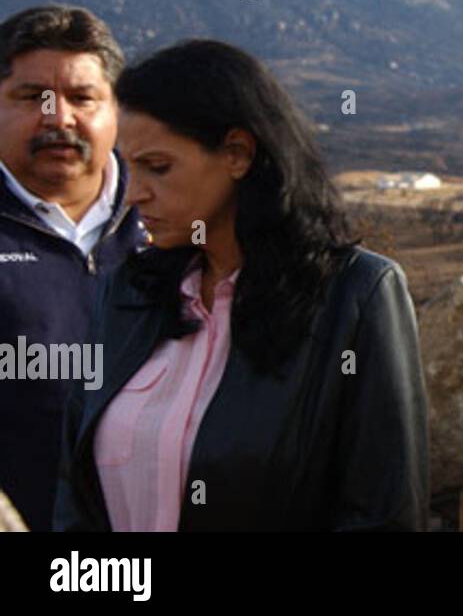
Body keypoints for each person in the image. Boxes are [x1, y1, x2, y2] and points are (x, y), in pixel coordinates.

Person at [54, 40, 429, 531]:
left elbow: (383, 512)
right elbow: (74, 494)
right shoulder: (126, 292)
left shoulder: (355, 296)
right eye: (129, 167)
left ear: (237, 153)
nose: (135, 192)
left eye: (159, 167)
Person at [0, 6, 145, 532]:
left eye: (83, 98)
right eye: (29, 96)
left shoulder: (179, 220)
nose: (57, 117)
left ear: (117, 110)